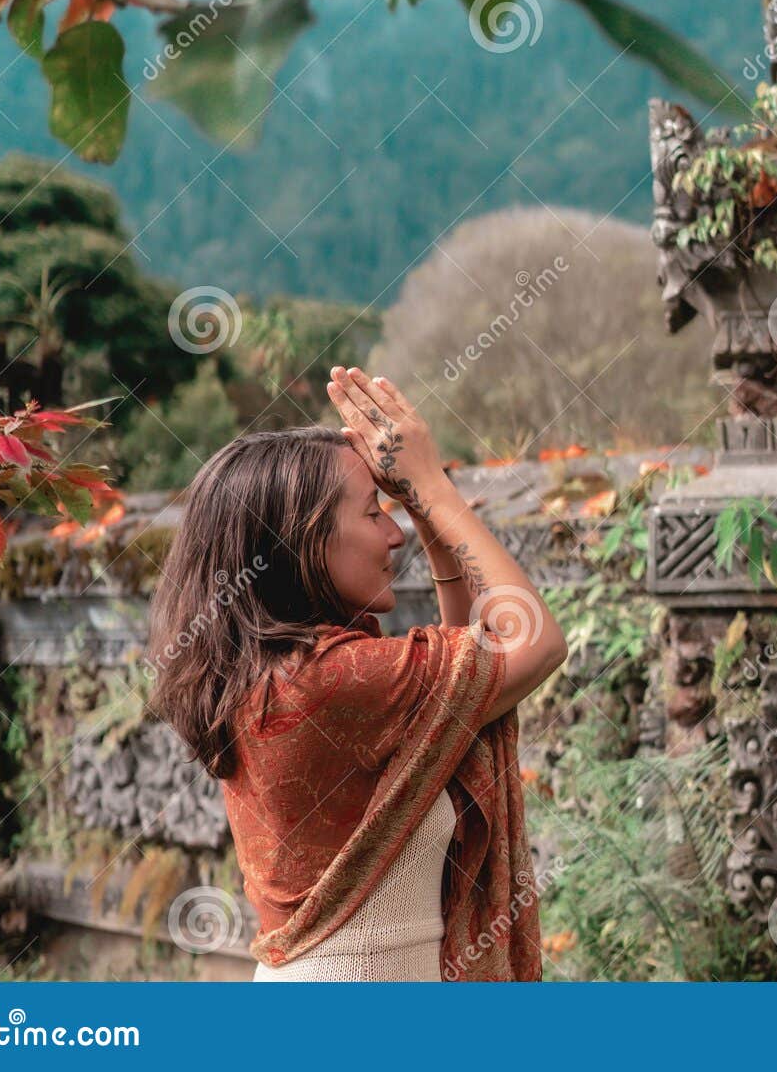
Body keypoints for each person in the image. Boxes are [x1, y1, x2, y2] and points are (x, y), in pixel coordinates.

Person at [147, 365, 567, 980]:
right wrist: (434, 487)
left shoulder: (282, 674)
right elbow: (535, 640)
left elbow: (459, 697)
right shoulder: (323, 683)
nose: (393, 534)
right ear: (305, 541)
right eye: (375, 512)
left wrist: (429, 520)